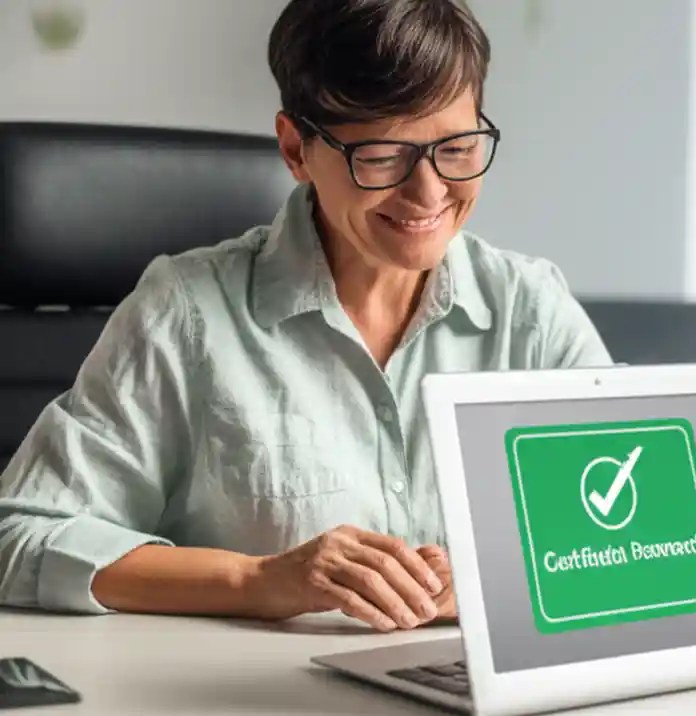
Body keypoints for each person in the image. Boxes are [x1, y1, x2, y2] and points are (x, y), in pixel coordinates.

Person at [0, 0, 610, 633]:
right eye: (381, 156)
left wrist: (497, 575)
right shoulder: (184, 314)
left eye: (456, 148)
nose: (428, 194)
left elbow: (645, 528)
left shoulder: (531, 310)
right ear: (296, 149)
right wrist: (259, 580)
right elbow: (19, 538)